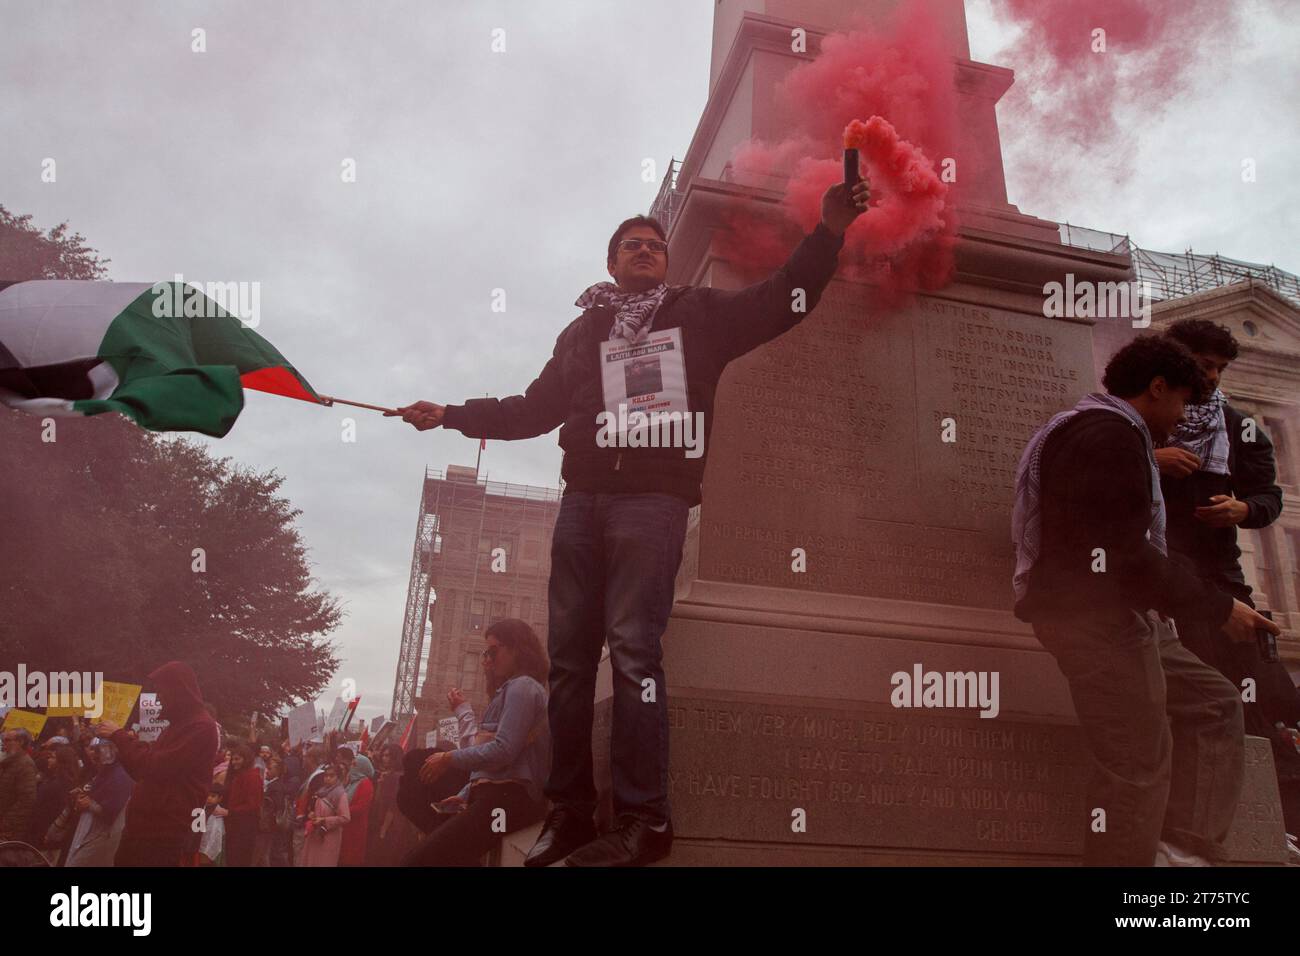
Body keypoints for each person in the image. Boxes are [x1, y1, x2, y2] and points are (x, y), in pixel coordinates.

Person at [389, 180, 871, 866]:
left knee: (636, 647)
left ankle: (646, 818)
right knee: (570, 663)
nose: (644, 251)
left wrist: (829, 232)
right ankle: (573, 813)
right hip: (582, 499)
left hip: (653, 497)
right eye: (630, 245)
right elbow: (530, 410)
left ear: (665, 263)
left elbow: (782, 300)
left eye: (654, 245)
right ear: (612, 262)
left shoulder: (698, 314)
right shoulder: (582, 333)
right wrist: (452, 413)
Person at [1012, 335, 1280, 866]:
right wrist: (1218, 607)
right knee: (1136, 761)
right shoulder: (1109, 436)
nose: (1181, 417)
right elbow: (1122, 553)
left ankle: (1183, 855)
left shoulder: (1109, 430)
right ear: (1156, 388)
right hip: (1095, 618)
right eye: (1180, 401)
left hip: (1124, 614)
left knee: (1213, 702)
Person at [1155, 318, 1299, 839]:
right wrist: (1150, 459)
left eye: (1219, 368)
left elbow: (1270, 499)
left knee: (1257, 688)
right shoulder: (1139, 418)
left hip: (1219, 577)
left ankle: (1269, 817)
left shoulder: (1241, 431)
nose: (1212, 377)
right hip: (1151, 570)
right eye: (1203, 365)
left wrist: (1242, 508)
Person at [403, 619, 551, 866]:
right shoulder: (510, 691)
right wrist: (466, 792)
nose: (488, 660)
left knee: (419, 861)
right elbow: (488, 756)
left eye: (493, 651)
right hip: (497, 799)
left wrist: (448, 758)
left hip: (509, 802)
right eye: (485, 653)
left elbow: (504, 750)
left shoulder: (522, 687)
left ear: (517, 649)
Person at [98, 661, 220, 867]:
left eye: (161, 691)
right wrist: (128, 742)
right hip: (146, 828)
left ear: (178, 691)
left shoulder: (200, 727)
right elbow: (146, 765)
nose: (158, 698)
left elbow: (153, 766)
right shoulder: (180, 726)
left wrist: (119, 736)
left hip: (160, 833)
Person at [63, 739, 132, 867]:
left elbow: (113, 811)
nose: (95, 763)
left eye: (97, 758)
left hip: (102, 835)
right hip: (90, 833)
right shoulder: (104, 773)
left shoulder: (120, 776)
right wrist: (82, 796)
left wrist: (90, 804)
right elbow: (95, 794)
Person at [26, 742, 80, 862]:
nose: (48, 760)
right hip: (53, 841)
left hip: (42, 839)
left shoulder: (55, 786)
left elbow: (41, 813)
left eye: (52, 757)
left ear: (61, 762)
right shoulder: (71, 783)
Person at [299, 764, 349, 867]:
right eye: (326, 775)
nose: (328, 778)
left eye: (332, 776)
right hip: (315, 834)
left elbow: (345, 817)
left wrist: (324, 820)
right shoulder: (321, 791)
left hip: (329, 837)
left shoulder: (340, 794)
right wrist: (312, 815)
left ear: (338, 777)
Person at [222, 742, 261, 866]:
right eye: (232, 759)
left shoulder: (252, 777)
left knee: (239, 858)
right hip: (234, 825)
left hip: (244, 828)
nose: (234, 762)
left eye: (237, 759)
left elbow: (253, 805)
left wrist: (230, 812)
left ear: (246, 759)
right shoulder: (239, 775)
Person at [335, 748, 374, 866]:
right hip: (346, 825)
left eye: (354, 764)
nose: (351, 767)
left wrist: (342, 811)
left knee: (352, 857)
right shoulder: (352, 782)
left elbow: (361, 807)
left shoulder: (366, 783)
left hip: (355, 827)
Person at [0, 728, 37, 843]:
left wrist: (5, 823)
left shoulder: (25, 765)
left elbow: (26, 800)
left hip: (9, 829)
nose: (3, 743)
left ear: (20, 742)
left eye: (7, 740)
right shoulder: (10, 762)